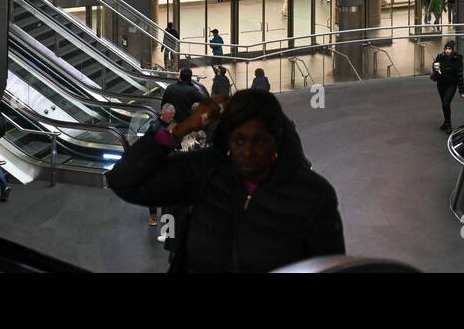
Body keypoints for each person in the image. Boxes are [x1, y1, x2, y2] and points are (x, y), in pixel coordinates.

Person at [107, 90, 345, 273]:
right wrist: (181, 129)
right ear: (227, 141)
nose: (248, 152)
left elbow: (330, 267)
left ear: (276, 141)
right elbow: (125, 181)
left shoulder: (312, 195)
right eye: (239, 141)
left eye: (259, 141)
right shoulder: (205, 172)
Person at [430, 41, 464, 131]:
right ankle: (446, 122)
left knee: (446, 103)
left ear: (452, 50)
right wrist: (435, 67)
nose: (447, 51)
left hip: (451, 84)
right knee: (444, 104)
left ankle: (448, 124)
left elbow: (460, 76)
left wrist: (461, 91)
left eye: (449, 49)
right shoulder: (440, 57)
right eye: (446, 49)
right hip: (441, 84)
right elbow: (435, 68)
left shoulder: (457, 59)